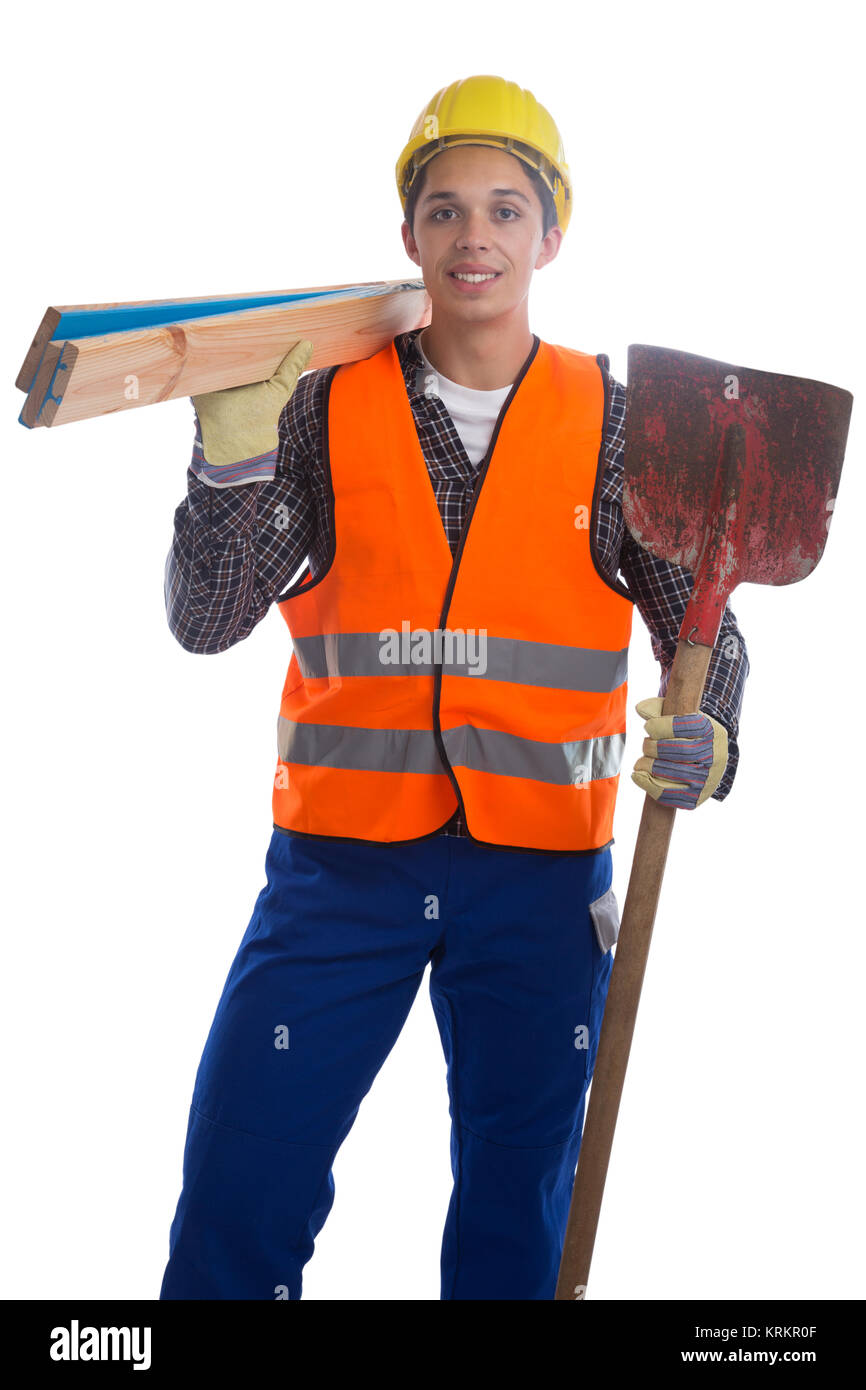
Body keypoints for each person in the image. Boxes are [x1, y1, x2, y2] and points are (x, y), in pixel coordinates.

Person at [158, 74, 748, 1301]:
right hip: (339, 871)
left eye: (501, 209)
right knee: (240, 1181)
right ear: (409, 234)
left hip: (537, 877)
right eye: (441, 210)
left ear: (549, 232)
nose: (471, 236)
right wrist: (229, 461)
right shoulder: (320, 406)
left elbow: (705, 625)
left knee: (514, 1212)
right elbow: (205, 620)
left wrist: (711, 728)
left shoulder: (620, 425)